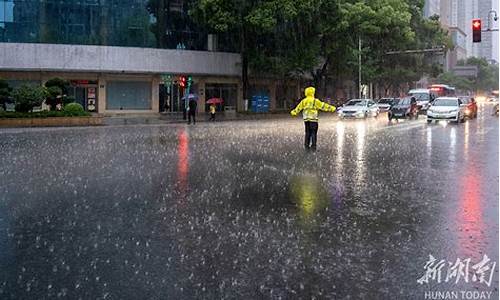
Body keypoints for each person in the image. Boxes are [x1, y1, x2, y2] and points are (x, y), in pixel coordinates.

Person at [290, 87, 336, 151]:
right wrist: (332, 108)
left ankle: (306, 146)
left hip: (306, 120)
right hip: (313, 119)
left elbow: (298, 108)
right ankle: (313, 147)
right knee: (313, 133)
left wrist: (294, 112)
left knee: (307, 133)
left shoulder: (304, 101)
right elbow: (323, 106)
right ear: (313, 93)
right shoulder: (315, 101)